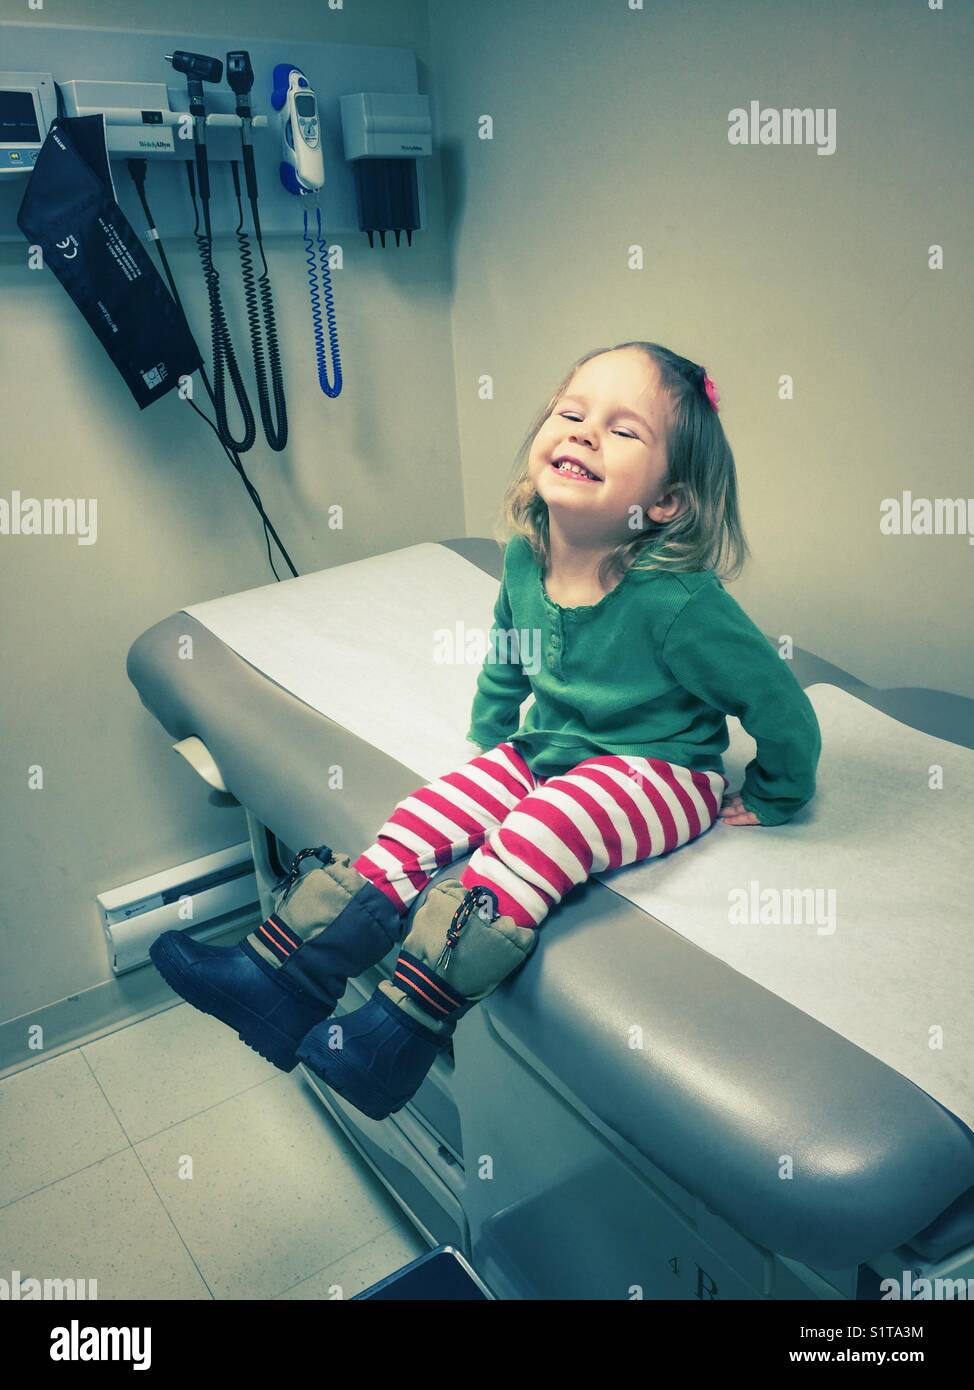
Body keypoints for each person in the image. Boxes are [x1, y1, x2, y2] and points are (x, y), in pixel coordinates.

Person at [150, 341, 821, 1122]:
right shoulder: (524, 560)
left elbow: (778, 702)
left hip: (662, 772)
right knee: (422, 819)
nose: (583, 432)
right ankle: (281, 977)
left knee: (537, 831)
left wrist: (778, 787)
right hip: (552, 747)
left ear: (667, 501)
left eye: (622, 429)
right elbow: (511, 655)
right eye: (571, 413)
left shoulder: (678, 601)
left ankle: (398, 1034)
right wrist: (492, 732)